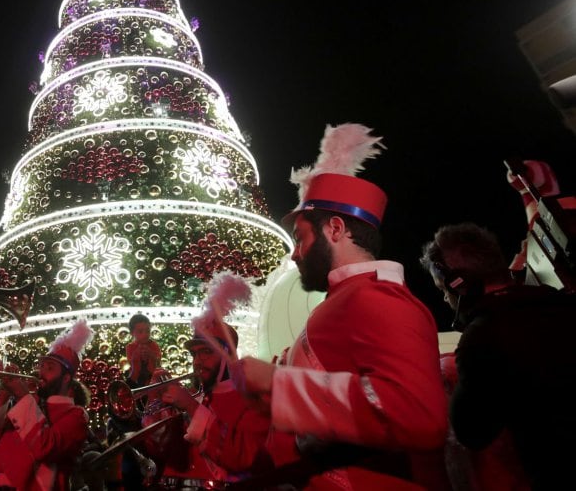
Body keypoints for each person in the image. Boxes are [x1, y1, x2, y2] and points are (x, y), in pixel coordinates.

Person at [226, 123, 448, 489]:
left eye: (300, 238)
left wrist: (280, 384)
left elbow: (418, 414)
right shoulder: (346, 298)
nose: (294, 253)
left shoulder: (376, 297)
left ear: (334, 229)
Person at [421, 221, 576, 490]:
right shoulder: (562, 303)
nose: (446, 299)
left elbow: (472, 432)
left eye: (444, 290)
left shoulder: (482, 338)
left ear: (459, 285)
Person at [156, 271, 272, 488]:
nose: (197, 361)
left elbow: (244, 458)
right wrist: (156, 404)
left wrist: (191, 407)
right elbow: (167, 454)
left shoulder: (250, 397)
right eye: (195, 354)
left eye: (207, 352)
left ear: (227, 355)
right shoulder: (201, 395)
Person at [0, 317, 93, 490]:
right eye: (42, 366)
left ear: (66, 378)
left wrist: (22, 395)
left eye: (50, 368)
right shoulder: (30, 404)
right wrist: (4, 396)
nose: (41, 372)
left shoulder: (76, 416)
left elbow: (44, 447)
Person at [124, 313, 162, 389]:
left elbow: (158, 361)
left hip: (153, 378)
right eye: (140, 332)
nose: (145, 334)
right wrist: (137, 354)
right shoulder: (130, 347)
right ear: (132, 333)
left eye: (147, 331)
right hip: (136, 378)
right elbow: (131, 363)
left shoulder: (154, 345)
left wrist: (151, 354)